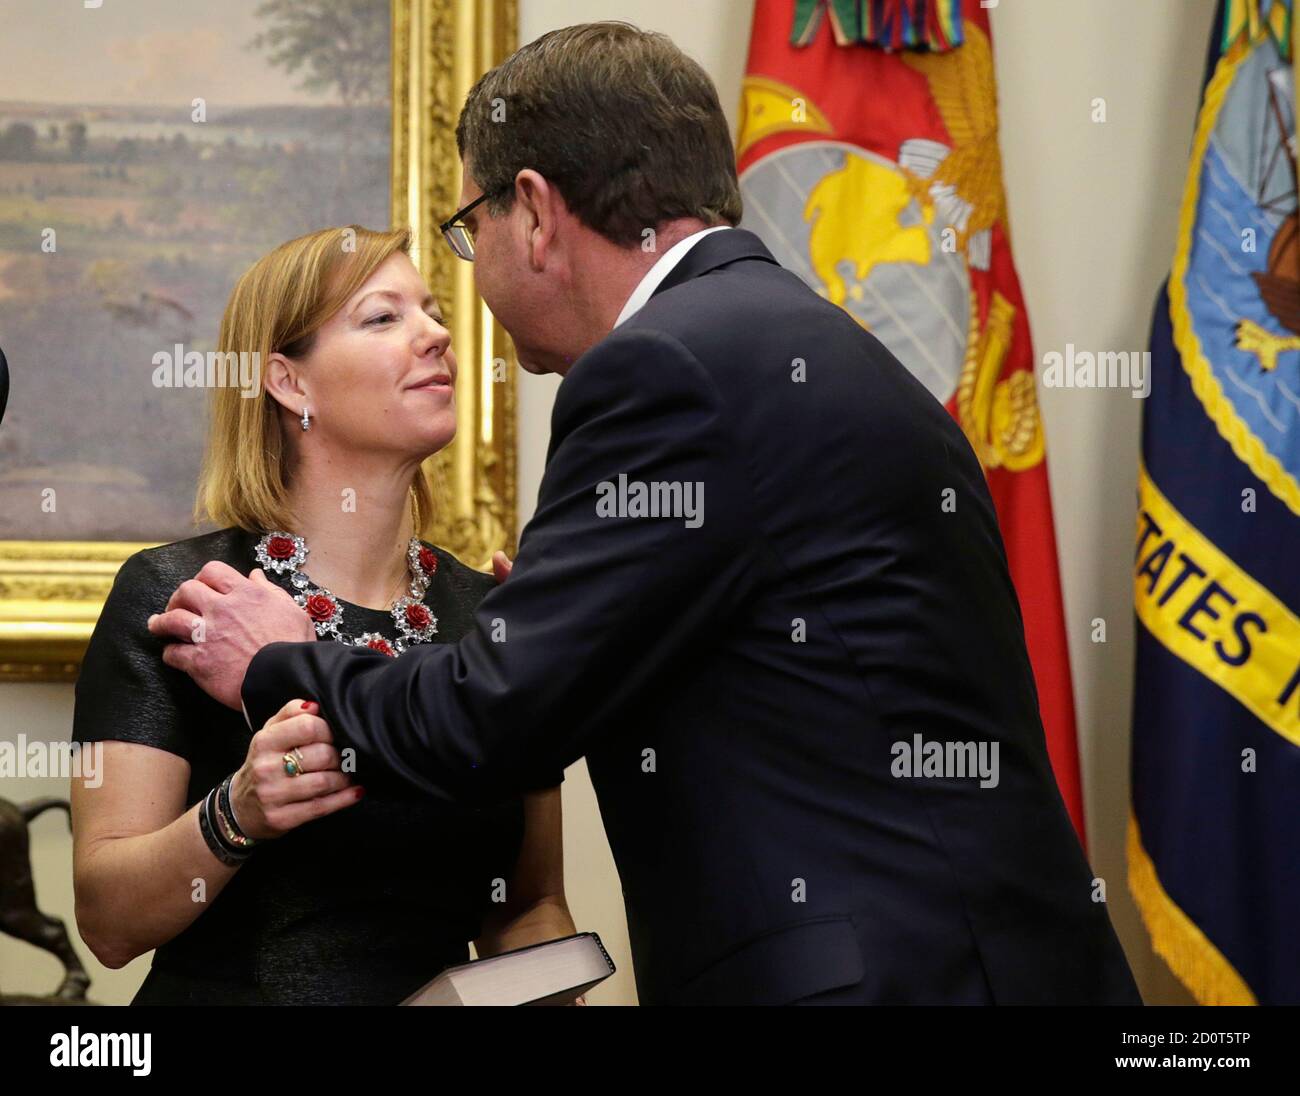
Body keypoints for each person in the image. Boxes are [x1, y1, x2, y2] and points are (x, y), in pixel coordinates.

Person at [150, 23, 1142, 1005]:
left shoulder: (665, 367)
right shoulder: (812, 342)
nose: (462, 293)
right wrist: (566, 622)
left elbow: (492, 718)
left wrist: (280, 660)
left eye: (472, 226)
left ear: (534, 212)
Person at [71, 225, 575, 1005]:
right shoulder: (182, 594)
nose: (436, 335)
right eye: (384, 317)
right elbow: (108, 922)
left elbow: (529, 906)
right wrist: (235, 813)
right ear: (288, 383)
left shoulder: (494, 614)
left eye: (434, 313)